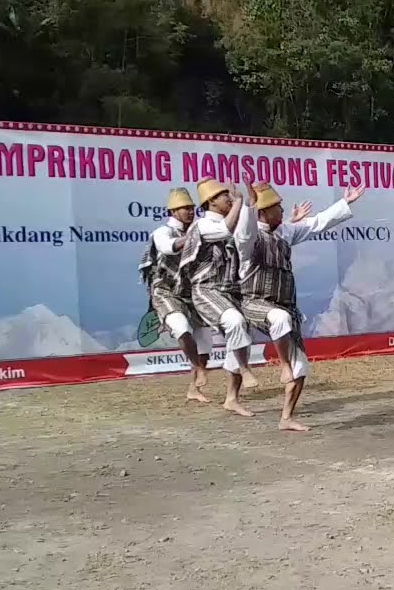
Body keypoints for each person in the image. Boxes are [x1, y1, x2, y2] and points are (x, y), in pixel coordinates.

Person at [232, 181, 362, 431]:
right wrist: (250, 205)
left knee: (301, 367)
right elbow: (244, 233)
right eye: (277, 207)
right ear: (264, 212)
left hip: (284, 307)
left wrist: (345, 202)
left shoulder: (284, 232)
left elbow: (316, 223)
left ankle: (286, 417)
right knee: (279, 319)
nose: (282, 210)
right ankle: (282, 366)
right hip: (255, 303)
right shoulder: (249, 239)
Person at [179, 177, 259, 416]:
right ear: (212, 201)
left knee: (241, 333)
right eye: (225, 196)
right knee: (235, 321)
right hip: (206, 289)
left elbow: (246, 233)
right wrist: (241, 202)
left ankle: (232, 398)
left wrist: (250, 204)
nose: (229, 198)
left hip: (229, 290)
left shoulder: (228, 220)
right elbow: (227, 229)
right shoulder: (203, 225)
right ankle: (244, 369)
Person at [138, 188, 215, 403]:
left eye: (191, 208)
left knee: (205, 341)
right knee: (181, 326)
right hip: (165, 290)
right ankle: (198, 369)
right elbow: (168, 247)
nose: (190, 212)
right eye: (185, 209)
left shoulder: (198, 230)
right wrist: (194, 236)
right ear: (173, 211)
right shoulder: (162, 232)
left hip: (191, 291)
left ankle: (194, 387)